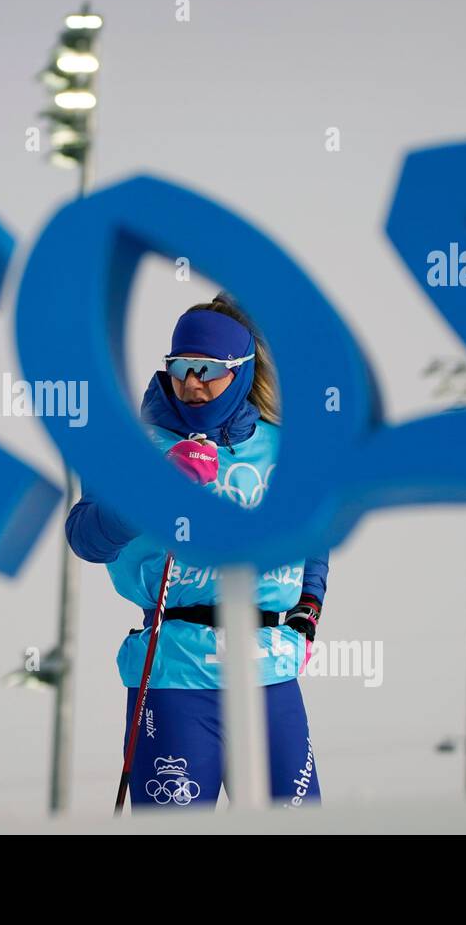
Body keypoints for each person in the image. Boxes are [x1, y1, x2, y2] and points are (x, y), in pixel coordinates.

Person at [66, 294, 329, 809]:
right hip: (177, 674)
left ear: (243, 371)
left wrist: (308, 610)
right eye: (181, 367)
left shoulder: (286, 447)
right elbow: (84, 537)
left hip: (268, 672)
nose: (191, 382)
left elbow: (314, 535)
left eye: (208, 370)